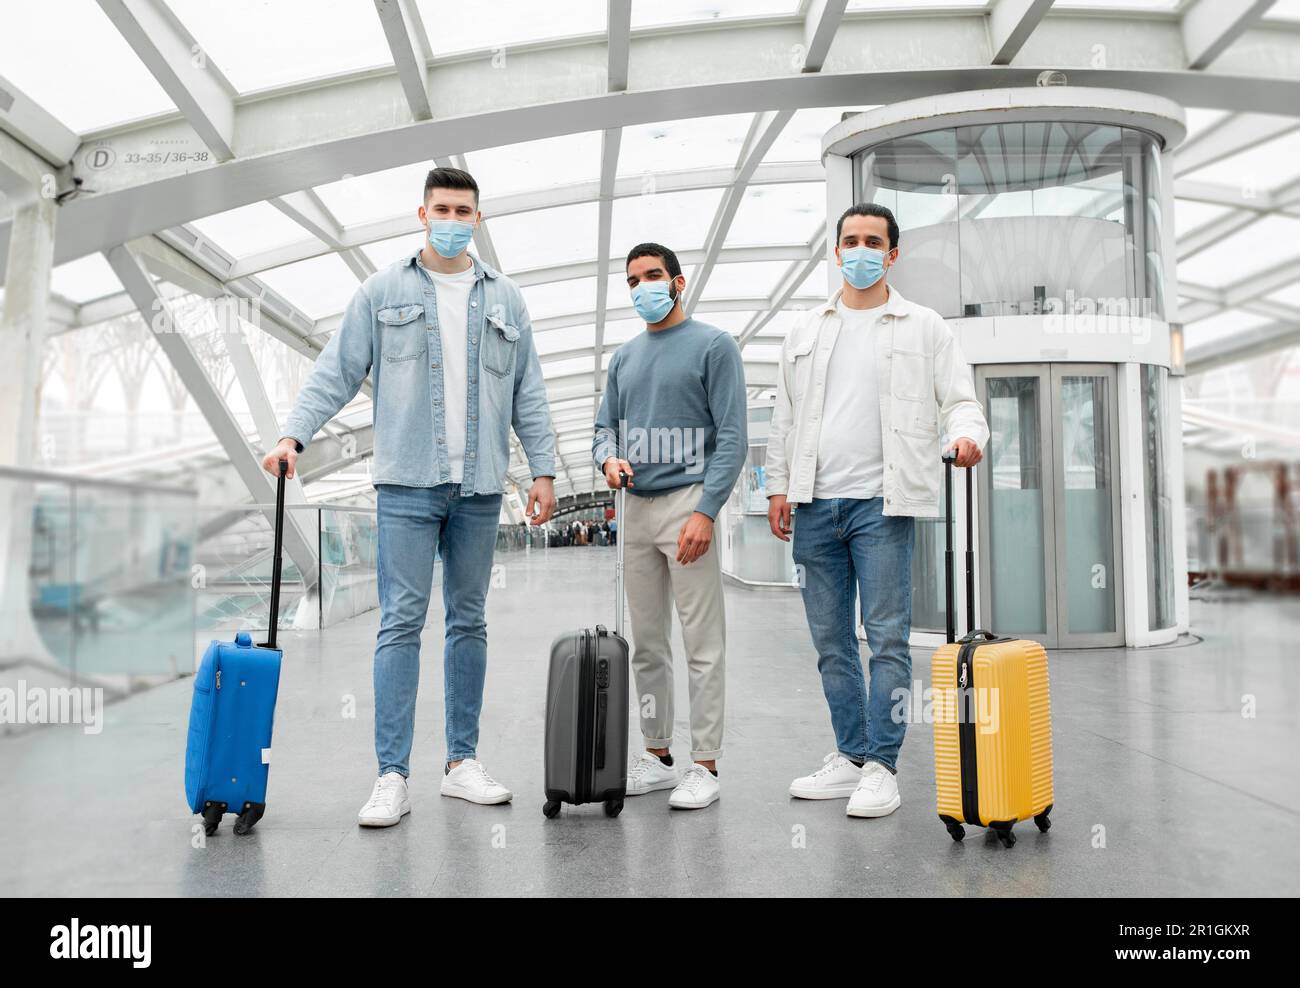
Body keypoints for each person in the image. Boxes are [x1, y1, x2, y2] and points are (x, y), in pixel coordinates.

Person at [263, 166, 557, 827]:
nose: (454, 220)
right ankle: (391, 775)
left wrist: (544, 471)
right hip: (405, 483)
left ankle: (461, 764)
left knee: (468, 622)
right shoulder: (381, 291)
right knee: (400, 624)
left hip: (479, 486)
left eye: (465, 210)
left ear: (478, 219)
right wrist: (293, 436)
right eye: (443, 208)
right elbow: (336, 370)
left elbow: (530, 393)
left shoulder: (506, 299)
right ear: (422, 214)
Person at [765, 203, 988, 819]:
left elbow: (960, 401)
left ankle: (883, 767)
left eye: (873, 242)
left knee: (886, 639)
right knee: (831, 643)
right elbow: (784, 418)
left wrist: (968, 437)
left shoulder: (923, 327)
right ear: (836, 252)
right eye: (849, 241)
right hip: (814, 506)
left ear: (892, 255)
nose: (859, 251)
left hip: (883, 508)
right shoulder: (805, 330)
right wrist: (777, 487)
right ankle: (851, 754)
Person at [593, 242, 747, 810]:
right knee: (648, 645)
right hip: (636, 508)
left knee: (702, 643)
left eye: (653, 276)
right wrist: (607, 458)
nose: (642, 287)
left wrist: (706, 510)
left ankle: (704, 763)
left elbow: (732, 437)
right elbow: (602, 429)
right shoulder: (625, 358)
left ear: (678, 282)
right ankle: (657, 756)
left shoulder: (714, 346)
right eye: (633, 280)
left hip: (688, 502)